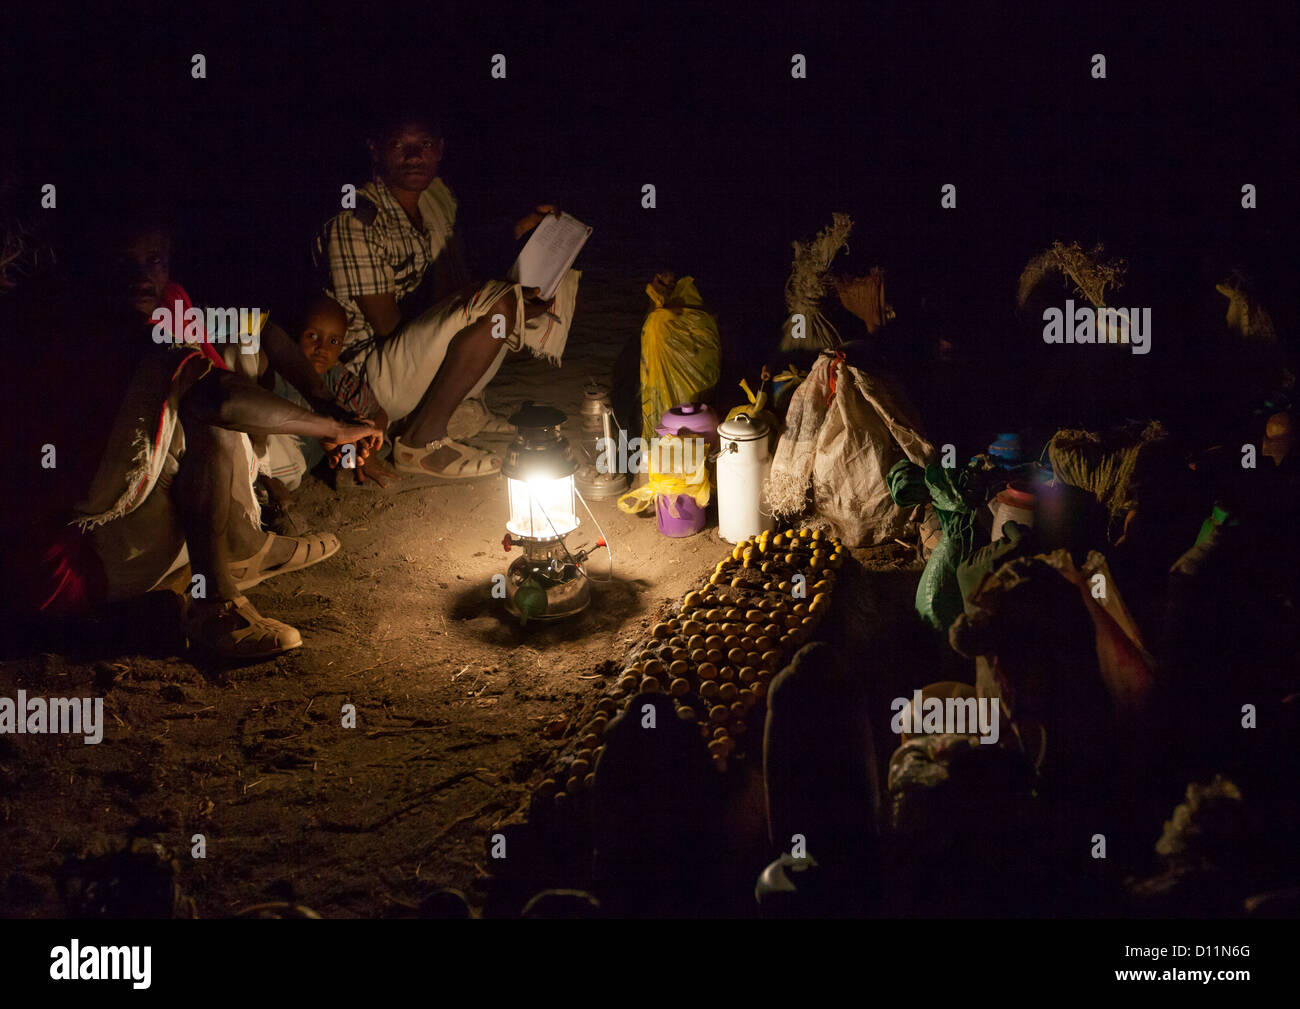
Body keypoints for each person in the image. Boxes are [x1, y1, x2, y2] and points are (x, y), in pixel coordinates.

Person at [21, 216, 376, 658]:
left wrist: (325, 402)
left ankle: (237, 544)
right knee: (203, 401)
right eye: (123, 263)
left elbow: (259, 327)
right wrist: (335, 428)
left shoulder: (170, 302)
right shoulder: (100, 324)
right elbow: (221, 399)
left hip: (121, 530)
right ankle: (216, 605)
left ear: (169, 263)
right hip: (76, 562)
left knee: (234, 343)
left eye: (153, 260)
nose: (140, 276)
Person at [315, 109, 581, 478]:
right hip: (370, 380)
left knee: (519, 294)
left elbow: (461, 264)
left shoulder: (435, 197)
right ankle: (420, 440)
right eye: (399, 145)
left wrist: (524, 232)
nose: (413, 157)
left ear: (439, 149)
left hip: (410, 359)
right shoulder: (355, 220)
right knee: (498, 304)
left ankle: (453, 405)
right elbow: (390, 328)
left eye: (424, 145)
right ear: (375, 149)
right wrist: (501, 305)